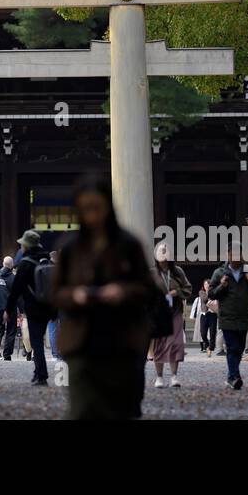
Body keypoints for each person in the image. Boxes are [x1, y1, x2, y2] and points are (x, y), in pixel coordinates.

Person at [51, 173, 156, 419]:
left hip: (122, 340)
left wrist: (123, 291)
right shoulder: (70, 248)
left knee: (121, 410)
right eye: (87, 209)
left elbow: (147, 288)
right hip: (81, 342)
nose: (93, 215)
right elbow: (55, 293)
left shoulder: (128, 245)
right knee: (82, 410)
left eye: (98, 208)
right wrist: (75, 295)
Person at [209, 245, 248, 389]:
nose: (236, 258)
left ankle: (231, 376)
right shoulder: (220, 273)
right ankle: (234, 377)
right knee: (232, 347)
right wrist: (222, 285)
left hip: (244, 316)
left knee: (239, 348)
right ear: (228, 255)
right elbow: (211, 294)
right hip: (227, 316)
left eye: (239, 255)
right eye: (233, 255)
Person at [9, 229, 55, 386]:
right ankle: (38, 372)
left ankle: (42, 374)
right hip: (48, 306)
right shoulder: (48, 261)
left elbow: (16, 289)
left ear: (26, 246)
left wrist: (9, 309)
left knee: (36, 342)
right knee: (39, 338)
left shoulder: (26, 263)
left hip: (33, 307)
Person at [151, 242, 193, 388]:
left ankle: (174, 376)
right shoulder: (151, 273)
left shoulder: (177, 271)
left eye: (165, 253)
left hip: (174, 311)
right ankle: (159, 377)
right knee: (159, 344)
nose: (163, 256)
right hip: (158, 312)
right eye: (160, 253)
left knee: (175, 343)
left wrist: (177, 292)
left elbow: (188, 288)